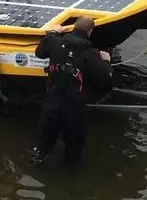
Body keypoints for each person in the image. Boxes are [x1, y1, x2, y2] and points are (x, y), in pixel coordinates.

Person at [28, 16, 114, 168]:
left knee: (43, 146)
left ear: (73, 27)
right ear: (90, 32)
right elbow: (106, 82)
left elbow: (40, 52)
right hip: (73, 108)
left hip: (51, 104)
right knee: (73, 149)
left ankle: (37, 165)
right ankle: (70, 176)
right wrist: (106, 62)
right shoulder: (91, 55)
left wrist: (53, 33)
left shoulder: (55, 43)